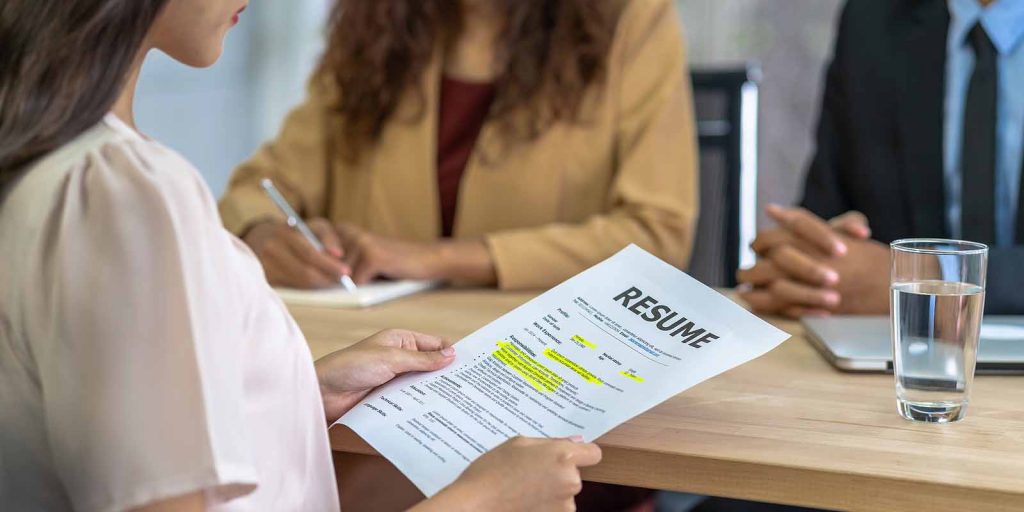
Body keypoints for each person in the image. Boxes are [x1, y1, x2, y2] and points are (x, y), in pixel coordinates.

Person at [0, 1, 602, 511]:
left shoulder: (51, 163)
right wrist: (482, 499)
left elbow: (90, 420)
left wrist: (290, 392)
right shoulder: (126, 195)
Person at [217, 0, 698, 291]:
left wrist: (435, 257)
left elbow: (657, 234)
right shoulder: (374, 28)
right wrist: (263, 233)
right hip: (375, 355)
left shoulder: (631, 20)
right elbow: (257, 190)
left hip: (548, 364)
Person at [738, 0, 1024, 317]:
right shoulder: (872, 21)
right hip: (892, 352)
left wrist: (927, 278)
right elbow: (826, 211)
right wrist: (816, 260)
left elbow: (895, 279)